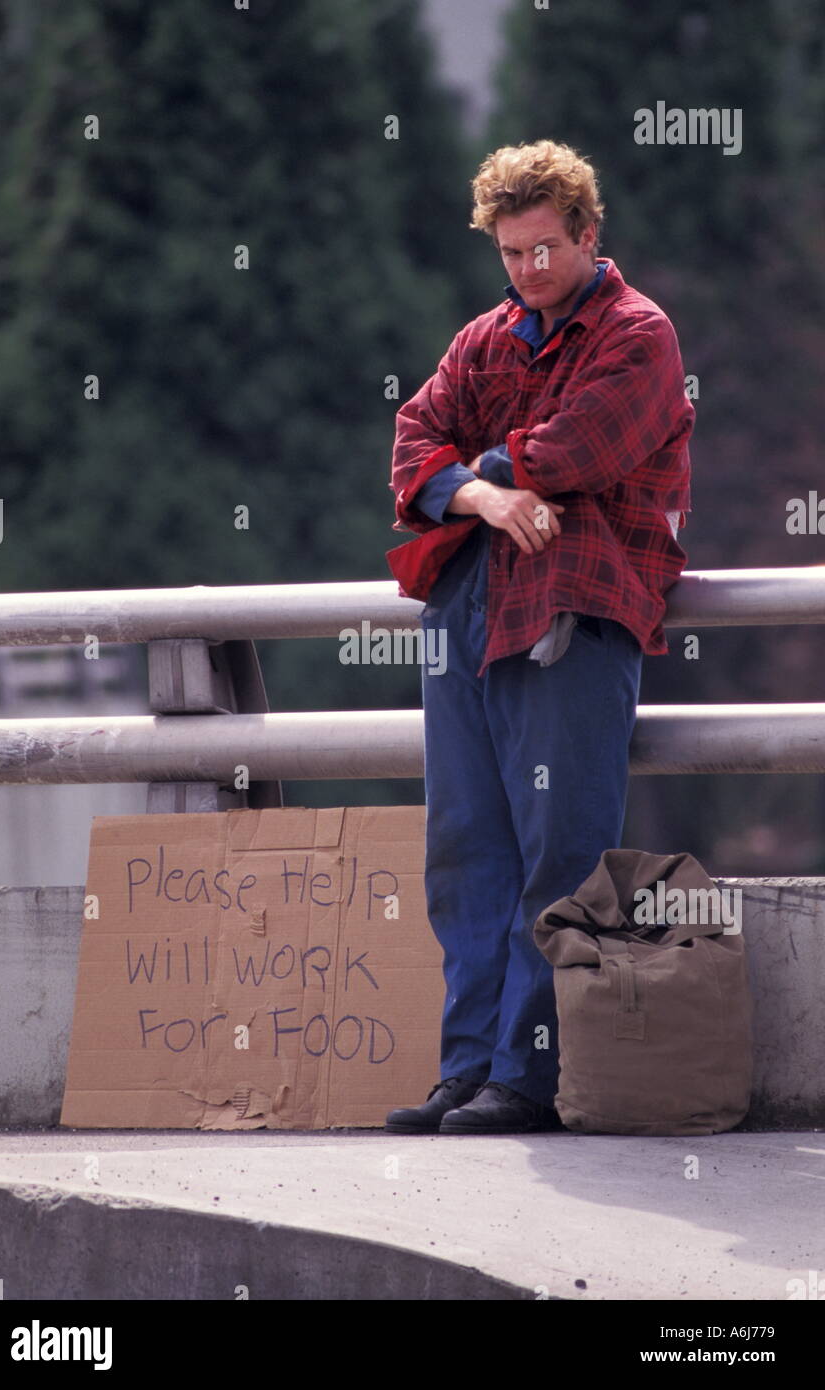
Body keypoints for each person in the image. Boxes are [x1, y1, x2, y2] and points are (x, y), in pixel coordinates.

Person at [384, 140, 694, 1135]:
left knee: (554, 849)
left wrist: (472, 474)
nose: (528, 270)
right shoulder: (485, 339)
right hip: (471, 604)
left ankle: (530, 1073)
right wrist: (485, 493)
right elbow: (409, 442)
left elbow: (584, 446)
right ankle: (468, 1064)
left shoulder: (640, 334)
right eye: (511, 253)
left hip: (573, 601)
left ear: (588, 234)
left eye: (545, 250)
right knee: (465, 843)